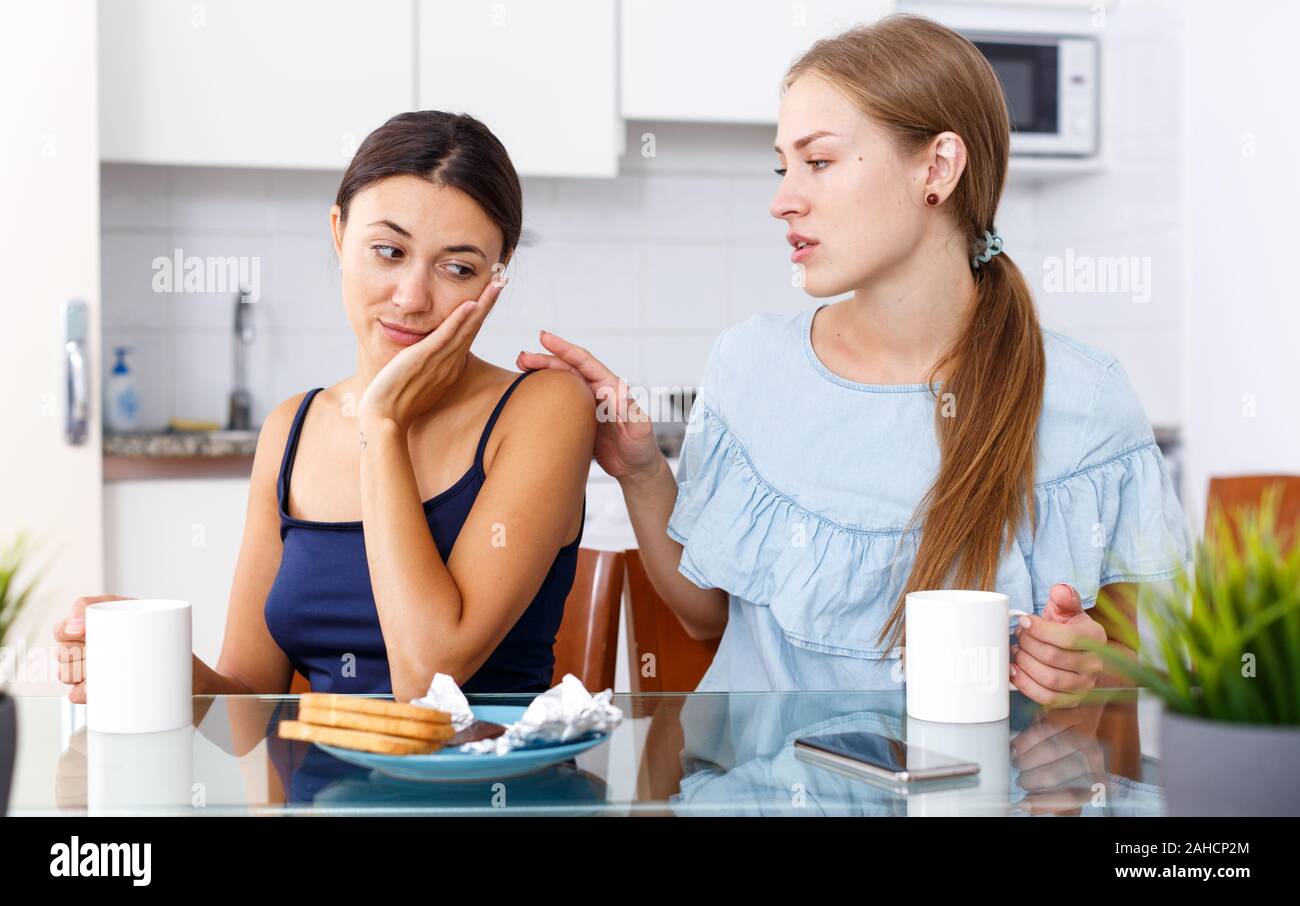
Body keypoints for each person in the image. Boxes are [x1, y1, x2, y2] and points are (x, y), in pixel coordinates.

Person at [517, 14, 1193, 703]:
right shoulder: (749, 366)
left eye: (818, 162)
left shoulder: (1087, 399)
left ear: (937, 167)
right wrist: (640, 472)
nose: (783, 200)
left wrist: (1088, 665)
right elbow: (708, 619)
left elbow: (1137, 664)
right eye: (784, 167)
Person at [58, 111, 595, 702]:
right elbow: (246, 709)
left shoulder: (545, 408)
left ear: (498, 274)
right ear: (339, 234)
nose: (412, 297)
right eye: (388, 251)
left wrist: (382, 425)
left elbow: (427, 676)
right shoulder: (292, 429)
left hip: (497, 791)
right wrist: (152, 662)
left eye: (457, 268)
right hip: (322, 791)